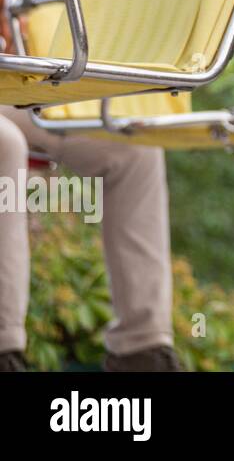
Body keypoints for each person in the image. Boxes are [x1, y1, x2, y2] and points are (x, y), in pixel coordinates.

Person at [0, 104, 179, 372]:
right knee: (5, 144)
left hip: (19, 88)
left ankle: (143, 350)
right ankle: (5, 349)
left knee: (134, 148)